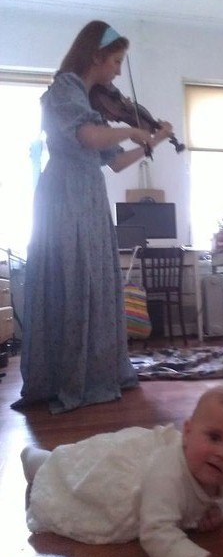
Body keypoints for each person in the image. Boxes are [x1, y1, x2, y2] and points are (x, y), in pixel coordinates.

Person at [13, 21, 173, 413]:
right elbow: (88, 136)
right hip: (66, 194)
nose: (118, 71)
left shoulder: (86, 100)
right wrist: (131, 130)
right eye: (116, 61)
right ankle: (67, 377)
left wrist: (153, 139)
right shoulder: (65, 88)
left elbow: (115, 163)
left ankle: (93, 372)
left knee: (93, 280)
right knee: (72, 278)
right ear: (96, 56)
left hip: (87, 194)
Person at [20, 386, 223, 557]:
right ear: (188, 433)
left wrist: (217, 511)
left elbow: (222, 497)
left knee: (75, 467)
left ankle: (45, 460)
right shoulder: (168, 476)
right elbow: (156, 533)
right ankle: (39, 461)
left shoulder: (221, 476)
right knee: (74, 476)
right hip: (122, 479)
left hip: (150, 471)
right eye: (214, 437)